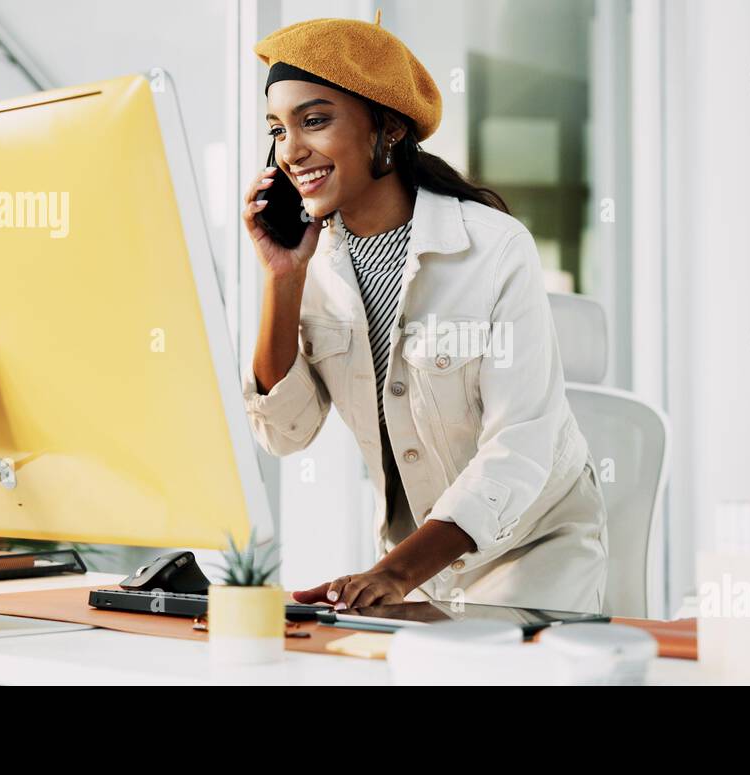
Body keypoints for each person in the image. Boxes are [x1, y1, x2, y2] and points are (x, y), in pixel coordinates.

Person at [242, 14, 607, 614]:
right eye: (277, 130)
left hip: (531, 557)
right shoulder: (315, 261)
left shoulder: (493, 247)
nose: (291, 151)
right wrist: (282, 280)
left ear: (385, 128)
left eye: (315, 120)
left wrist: (394, 572)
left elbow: (521, 443)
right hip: (410, 567)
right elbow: (284, 432)